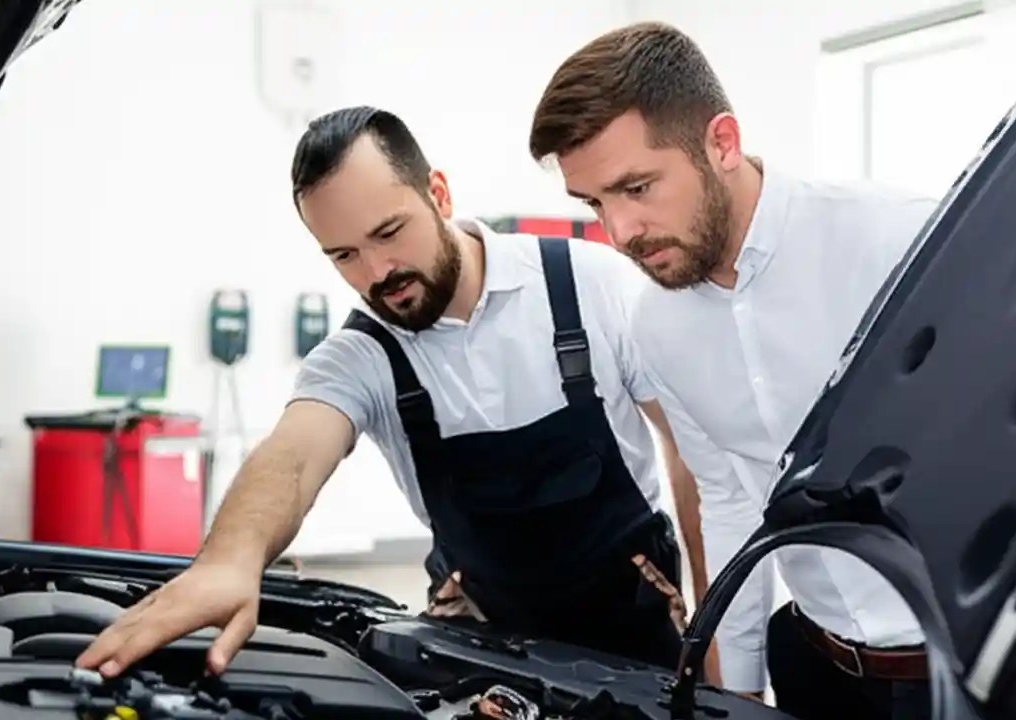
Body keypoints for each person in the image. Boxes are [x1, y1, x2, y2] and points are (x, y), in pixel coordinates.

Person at [75, 105, 711, 681]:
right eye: (344, 255)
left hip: (639, 640)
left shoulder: (588, 283)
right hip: (487, 655)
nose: (377, 274)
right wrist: (229, 560)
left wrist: (717, 643)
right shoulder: (362, 355)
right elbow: (294, 455)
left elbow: (692, 456)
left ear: (437, 192)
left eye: (389, 233)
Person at [526, 22, 938, 720]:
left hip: (979, 669)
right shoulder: (656, 323)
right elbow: (731, 500)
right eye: (596, 204)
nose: (619, 232)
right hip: (817, 670)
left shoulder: (898, 241)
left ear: (721, 142)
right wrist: (736, 689)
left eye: (637, 187)